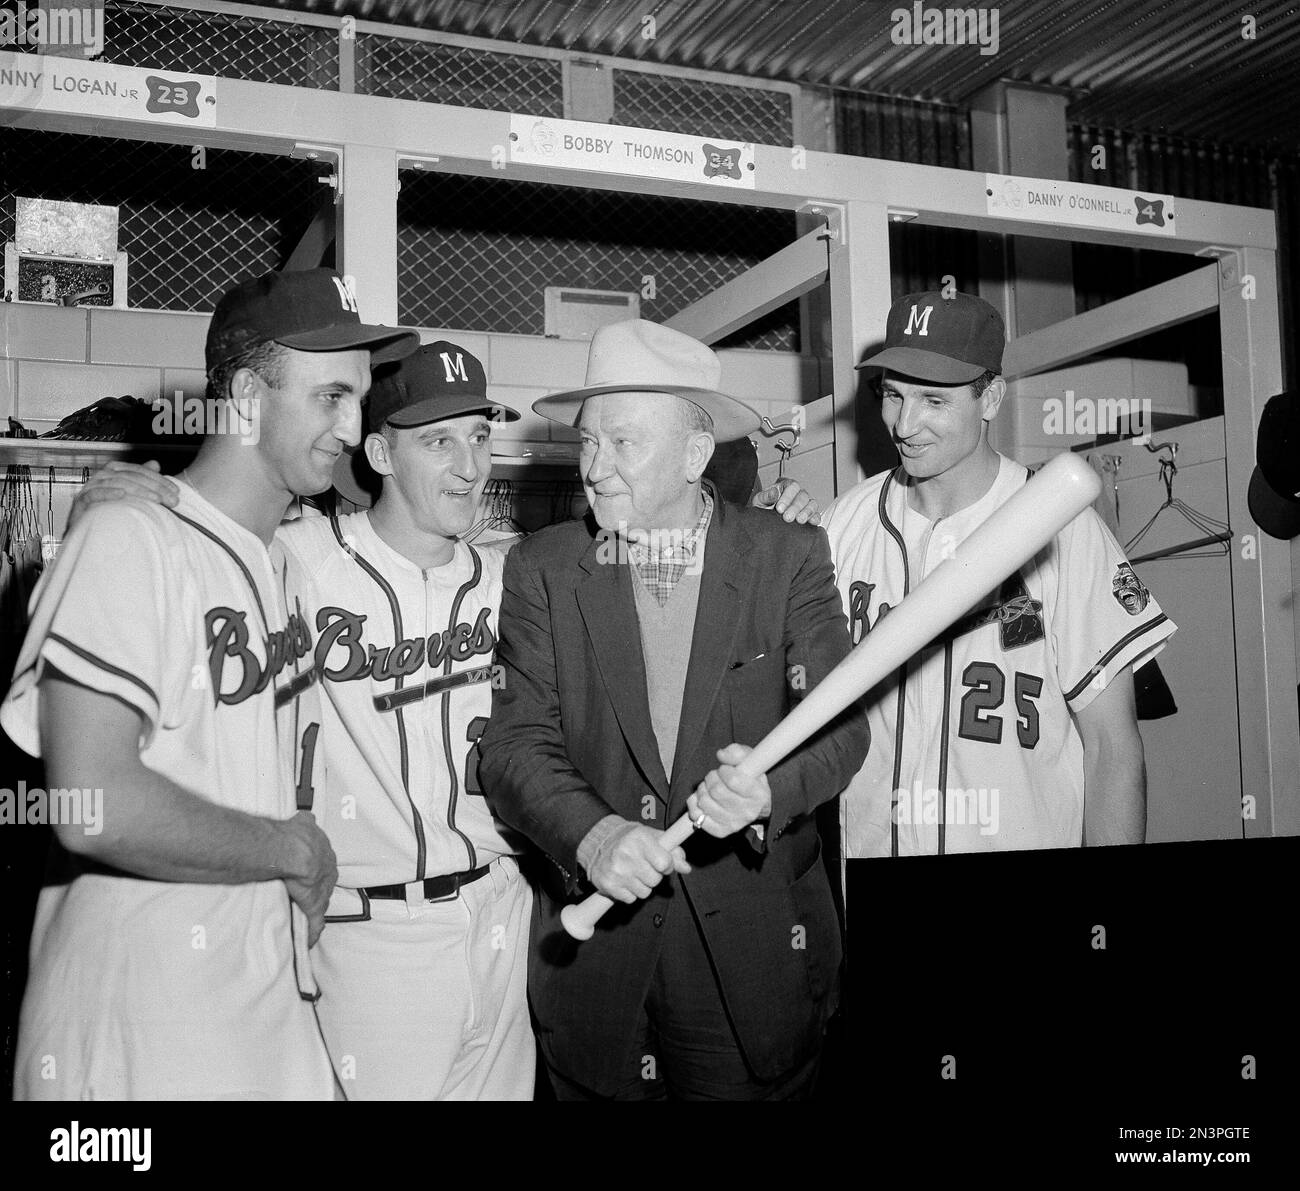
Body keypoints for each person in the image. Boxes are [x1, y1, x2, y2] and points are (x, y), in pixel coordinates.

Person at [70, 336, 822, 1100]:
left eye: (479, 436)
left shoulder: (514, 568)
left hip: (503, 909)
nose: (469, 465)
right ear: (381, 453)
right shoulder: (296, 559)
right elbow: (213, 534)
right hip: (374, 933)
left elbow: (674, 564)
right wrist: (139, 497)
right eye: (438, 441)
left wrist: (759, 518)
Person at [1, 267, 418, 1099]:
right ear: (246, 396)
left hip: (252, 1008)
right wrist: (290, 847)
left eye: (359, 399)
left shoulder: (285, 561)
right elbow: (93, 803)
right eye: (330, 395)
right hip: (133, 1030)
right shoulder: (132, 538)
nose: (350, 424)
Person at [479, 318, 871, 1100]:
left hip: (752, 975)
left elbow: (840, 724)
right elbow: (516, 745)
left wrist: (769, 789)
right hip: (599, 979)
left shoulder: (786, 555)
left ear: (695, 456)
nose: (594, 468)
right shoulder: (544, 569)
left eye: (623, 444)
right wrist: (592, 835)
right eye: (587, 441)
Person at [822, 290, 1176, 857]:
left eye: (933, 401)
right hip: (871, 869)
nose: (904, 424)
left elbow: (1112, 746)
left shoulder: (1061, 528)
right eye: (893, 395)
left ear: (990, 398)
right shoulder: (845, 523)